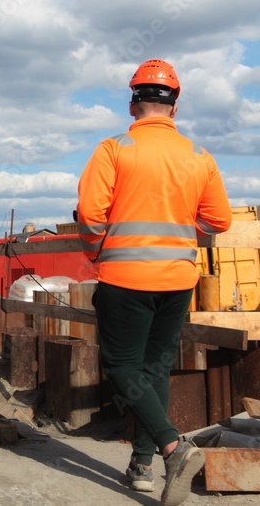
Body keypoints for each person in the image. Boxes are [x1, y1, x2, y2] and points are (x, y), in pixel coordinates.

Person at [76, 59, 232, 506]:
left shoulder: (114, 148)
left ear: (133, 103)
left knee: (122, 366)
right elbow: (218, 220)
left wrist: (96, 251)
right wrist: (179, 228)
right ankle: (143, 467)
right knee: (156, 368)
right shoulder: (199, 156)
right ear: (174, 108)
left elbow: (90, 216)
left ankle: (172, 446)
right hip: (179, 278)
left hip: (125, 276)